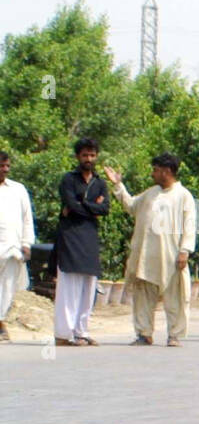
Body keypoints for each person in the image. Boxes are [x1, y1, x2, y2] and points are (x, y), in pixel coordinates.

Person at [104, 154, 197, 347]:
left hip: (170, 256)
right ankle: (144, 333)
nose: (152, 174)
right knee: (143, 296)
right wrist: (118, 186)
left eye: (155, 170)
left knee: (174, 298)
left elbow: (190, 225)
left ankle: (174, 335)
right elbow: (131, 205)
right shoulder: (151, 193)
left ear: (167, 171)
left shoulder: (183, 196)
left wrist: (185, 251)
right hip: (146, 256)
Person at [53, 138, 109, 346]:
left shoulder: (100, 182)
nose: (89, 159)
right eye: (85, 155)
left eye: (92, 155)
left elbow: (105, 209)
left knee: (88, 285)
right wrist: (91, 206)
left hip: (89, 237)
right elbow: (70, 205)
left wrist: (82, 204)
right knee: (70, 286)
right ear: (78, 157)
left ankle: (81, 332)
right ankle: (63, 334)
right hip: (70, 236)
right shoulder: (68, 179)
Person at [0, 151, 35, 342]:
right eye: (1, 166)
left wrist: (27, 244)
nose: (5, 169)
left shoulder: (18, 189)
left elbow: (27, 219)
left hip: (12, 249)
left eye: (7, 166)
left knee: (7, 288)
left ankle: (1, 323)